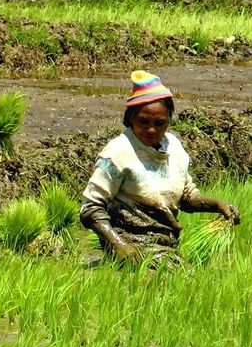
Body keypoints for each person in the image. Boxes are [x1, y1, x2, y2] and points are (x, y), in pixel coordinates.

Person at [79, 71, 240, 264]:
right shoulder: (118, 153)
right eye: (143, 122)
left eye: (160, 123)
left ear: (169, 121)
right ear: (131, 118)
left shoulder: (174, 148)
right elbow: (91, 208)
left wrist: (217, 205)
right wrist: (120, 246)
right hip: (130, 246)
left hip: (166, 247)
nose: (151, 130)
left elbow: (186, 198)